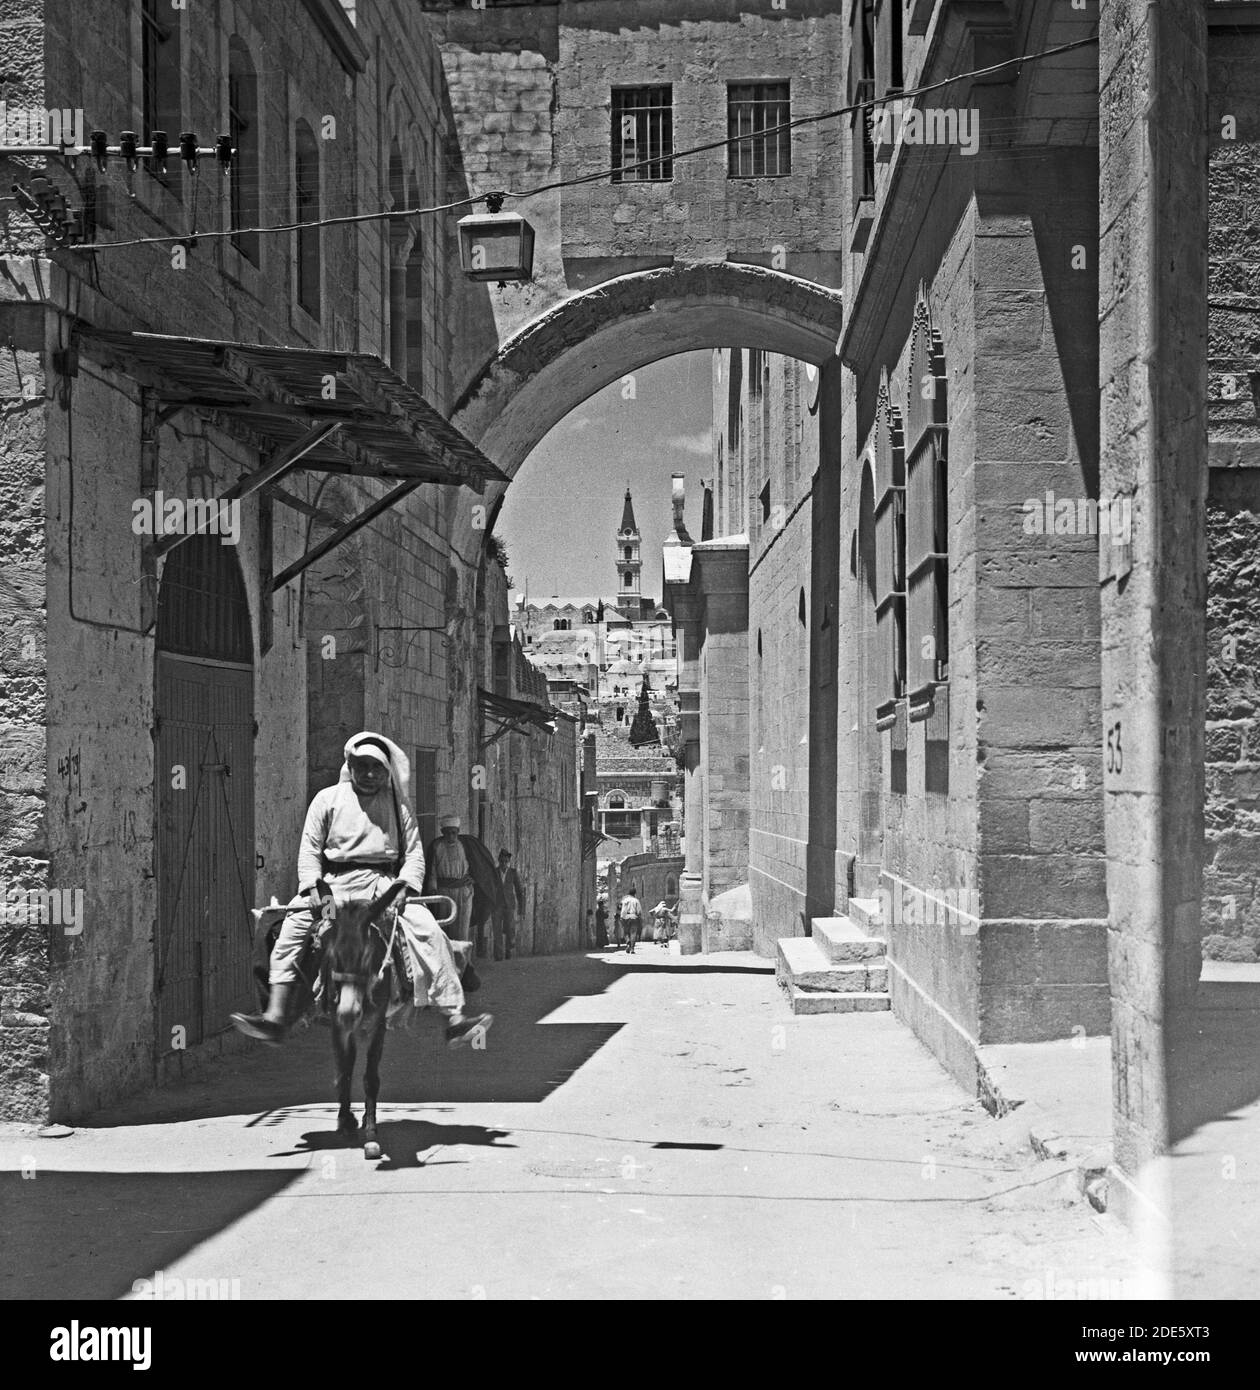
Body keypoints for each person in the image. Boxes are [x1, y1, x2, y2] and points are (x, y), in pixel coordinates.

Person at [230, 732, 492, 1048]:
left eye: (376, 768)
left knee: (429, 932)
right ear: (349, 764)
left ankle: (453, 1018)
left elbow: (414, 854)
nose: (369, 774)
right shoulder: (325, 800)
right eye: (362, 766)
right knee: (290, 930)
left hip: (381, 885)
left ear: (386, 770)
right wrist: (313, 886)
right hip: (333, 887)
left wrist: (403, 887)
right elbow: (310, 850)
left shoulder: (398, 804)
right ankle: (276, 1017)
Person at [427, 814, 475, 949]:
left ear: (458, 832)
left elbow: (476, 864)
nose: (451, 836)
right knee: (445, 928)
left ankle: (463, 965)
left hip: (463, 892)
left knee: (462, 929)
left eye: (454, 833)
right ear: (442, 833)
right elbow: (432, 870)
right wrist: (433, 889)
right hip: (444, 892)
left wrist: (473, 878)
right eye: (447, 833)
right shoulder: (437, 846)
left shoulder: (464, 845)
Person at [496, 848, 525, 960]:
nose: (504, 864)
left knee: (510, 929)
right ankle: (498, 956)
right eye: (502, 861)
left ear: (508, 862)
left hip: (509, 905)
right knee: (497, 930)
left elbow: (519, 891)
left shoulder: (513, 872)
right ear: (499, 860)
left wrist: (521, 909)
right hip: (497, 905)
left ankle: (509, 952)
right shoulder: (494, 872)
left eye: (506, 861)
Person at [619, 887, 643, 955]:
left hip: (625, 917)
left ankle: (628, 941)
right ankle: (632, 949)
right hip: (633, 917)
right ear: (635, 893)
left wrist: (622, 917)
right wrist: (639, 918)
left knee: (626, 932)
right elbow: (639, 911)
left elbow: (622, 909)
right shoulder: (636, 901)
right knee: (633, 933)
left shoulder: (625, 900)